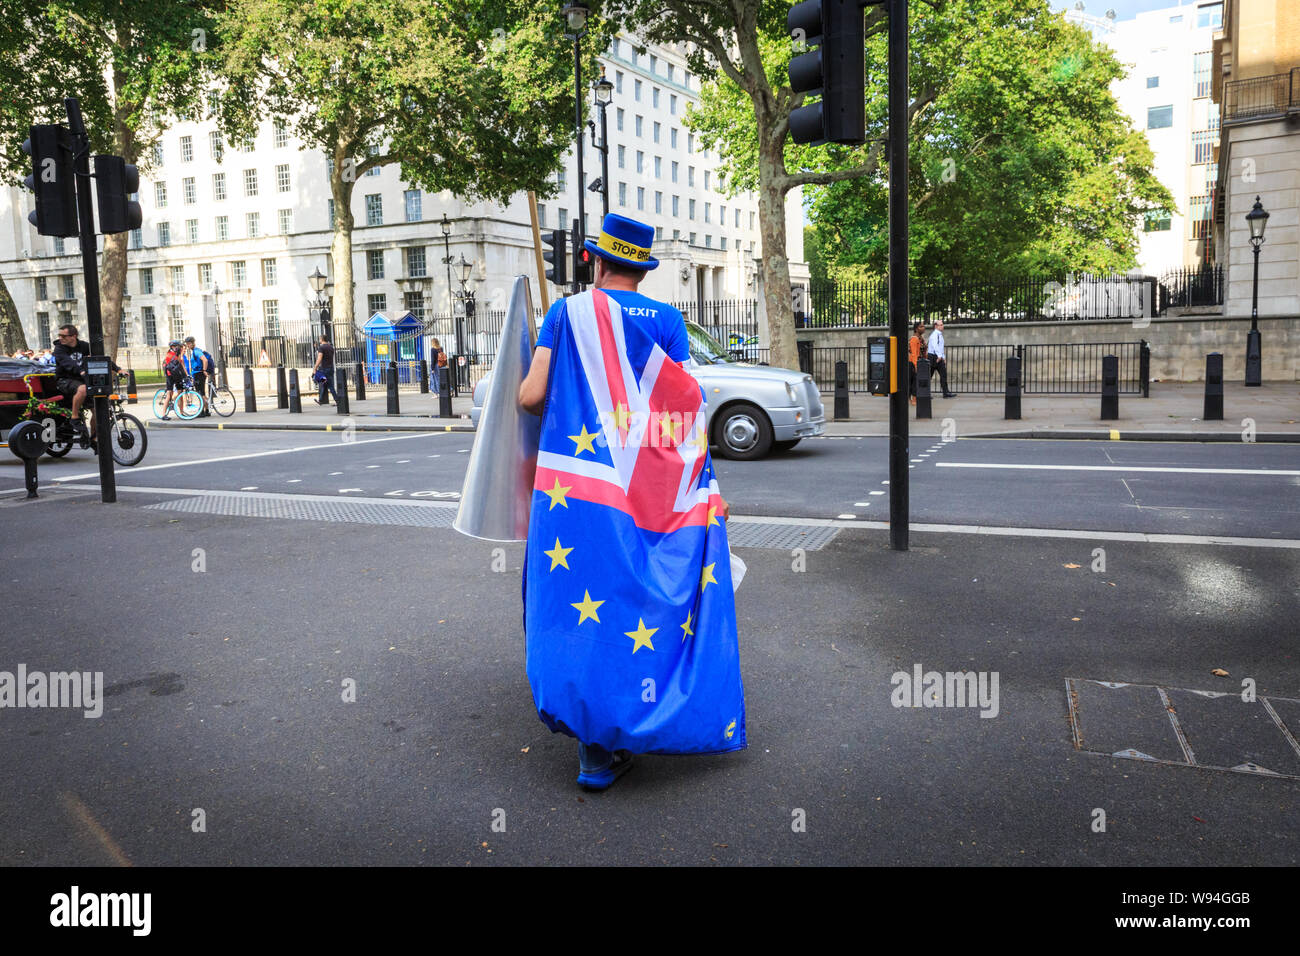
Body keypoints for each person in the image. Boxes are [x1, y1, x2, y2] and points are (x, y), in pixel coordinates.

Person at [517, 213, 745, 792]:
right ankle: (645, 720)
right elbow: (681, 412)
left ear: (595, 260)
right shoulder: (668, 320)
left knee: (587, 602)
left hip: (579, 489)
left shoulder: (565, 313)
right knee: (644, 599)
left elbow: (531, 396)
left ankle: (594, 750)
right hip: (651, 493)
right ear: (642, 269)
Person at [51, 324, 92, 439]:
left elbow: (99, 356)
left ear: (73, 336)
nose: (60, 338)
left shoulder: (84, 346)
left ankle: (94, 439)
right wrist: (81, 371)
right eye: (59, 335)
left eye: (63, 336)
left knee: (97, 410)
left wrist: (117, 369)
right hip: (64, 380)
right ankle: (74, 417)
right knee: (83, 389)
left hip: (80, 380)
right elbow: (68, 363)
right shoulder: (59, 348)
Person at [927, 318, 955, 398]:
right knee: (929, 376)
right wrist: (939, 356)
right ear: (936, 326)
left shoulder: (939, 334)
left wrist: (943, 357)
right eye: (941, 325)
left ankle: (946, 393)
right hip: (933, 357)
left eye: (942, 324)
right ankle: (926, 393)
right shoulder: (935, 335)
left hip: (938, 357)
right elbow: (935, 346)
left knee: (943, 375)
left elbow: (940, 347)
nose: (943, 326)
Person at [182, 337, 210, 417]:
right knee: (202, 393)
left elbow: (205, 360)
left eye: (188, 344)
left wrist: (204, 370)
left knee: (199, 393)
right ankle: (206, 410)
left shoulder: (196, 351)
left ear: (191, 343)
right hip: (198, 374)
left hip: (199, 374)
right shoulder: (195, 351)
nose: (187, 346)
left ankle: (201, 412)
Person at [160, 340, 186, 419]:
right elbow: (174, 364)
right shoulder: (169, 355)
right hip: (170, 376)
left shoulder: (177, 354)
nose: (178, 348)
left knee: (180, 393)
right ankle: (163, 414)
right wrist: (179, 355)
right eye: (177, 346)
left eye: (179, 346)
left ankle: (181, 412)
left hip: (177, 375)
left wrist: (186, 375)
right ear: (172, 347)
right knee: (169, 394)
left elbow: (181, 364)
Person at [312, 334, 339, 405]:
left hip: (324, 370)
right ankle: (320, 400)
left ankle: (337, 400)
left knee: (329, 385)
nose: (319, 340)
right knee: (324, 383)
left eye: (319, 339)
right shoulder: (331, 347)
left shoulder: (321, 348)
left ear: (321, 339)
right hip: (330, 368)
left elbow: (319, 358)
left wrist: (315, 367)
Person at [908, 321, 925, 406]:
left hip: (919, 362)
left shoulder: (921, 339)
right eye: (921, 327)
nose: (923, 328)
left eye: (923, 326)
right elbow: (914, 353)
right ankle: (912, 399)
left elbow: (923, 351)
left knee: (916, 381)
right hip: (912, 363)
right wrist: (915, 366)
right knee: (913, 382)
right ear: (916, 329)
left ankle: (914, 398)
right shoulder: (914, 339)